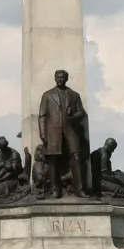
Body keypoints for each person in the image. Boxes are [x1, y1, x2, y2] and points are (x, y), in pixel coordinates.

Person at [38, 69, 88, 197]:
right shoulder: (47, 95)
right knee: (53, 160)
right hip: (53, 133)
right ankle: (55, 190)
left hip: (71, 132)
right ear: (55, 78)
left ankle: (80, 189)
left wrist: (73, 116)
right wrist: (43, 134)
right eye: (58, 77)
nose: (60, 79)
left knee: (76, 158)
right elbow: (42, 116)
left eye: (62, 77)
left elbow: (82, 112)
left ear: (66, 79)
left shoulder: (74, 95)